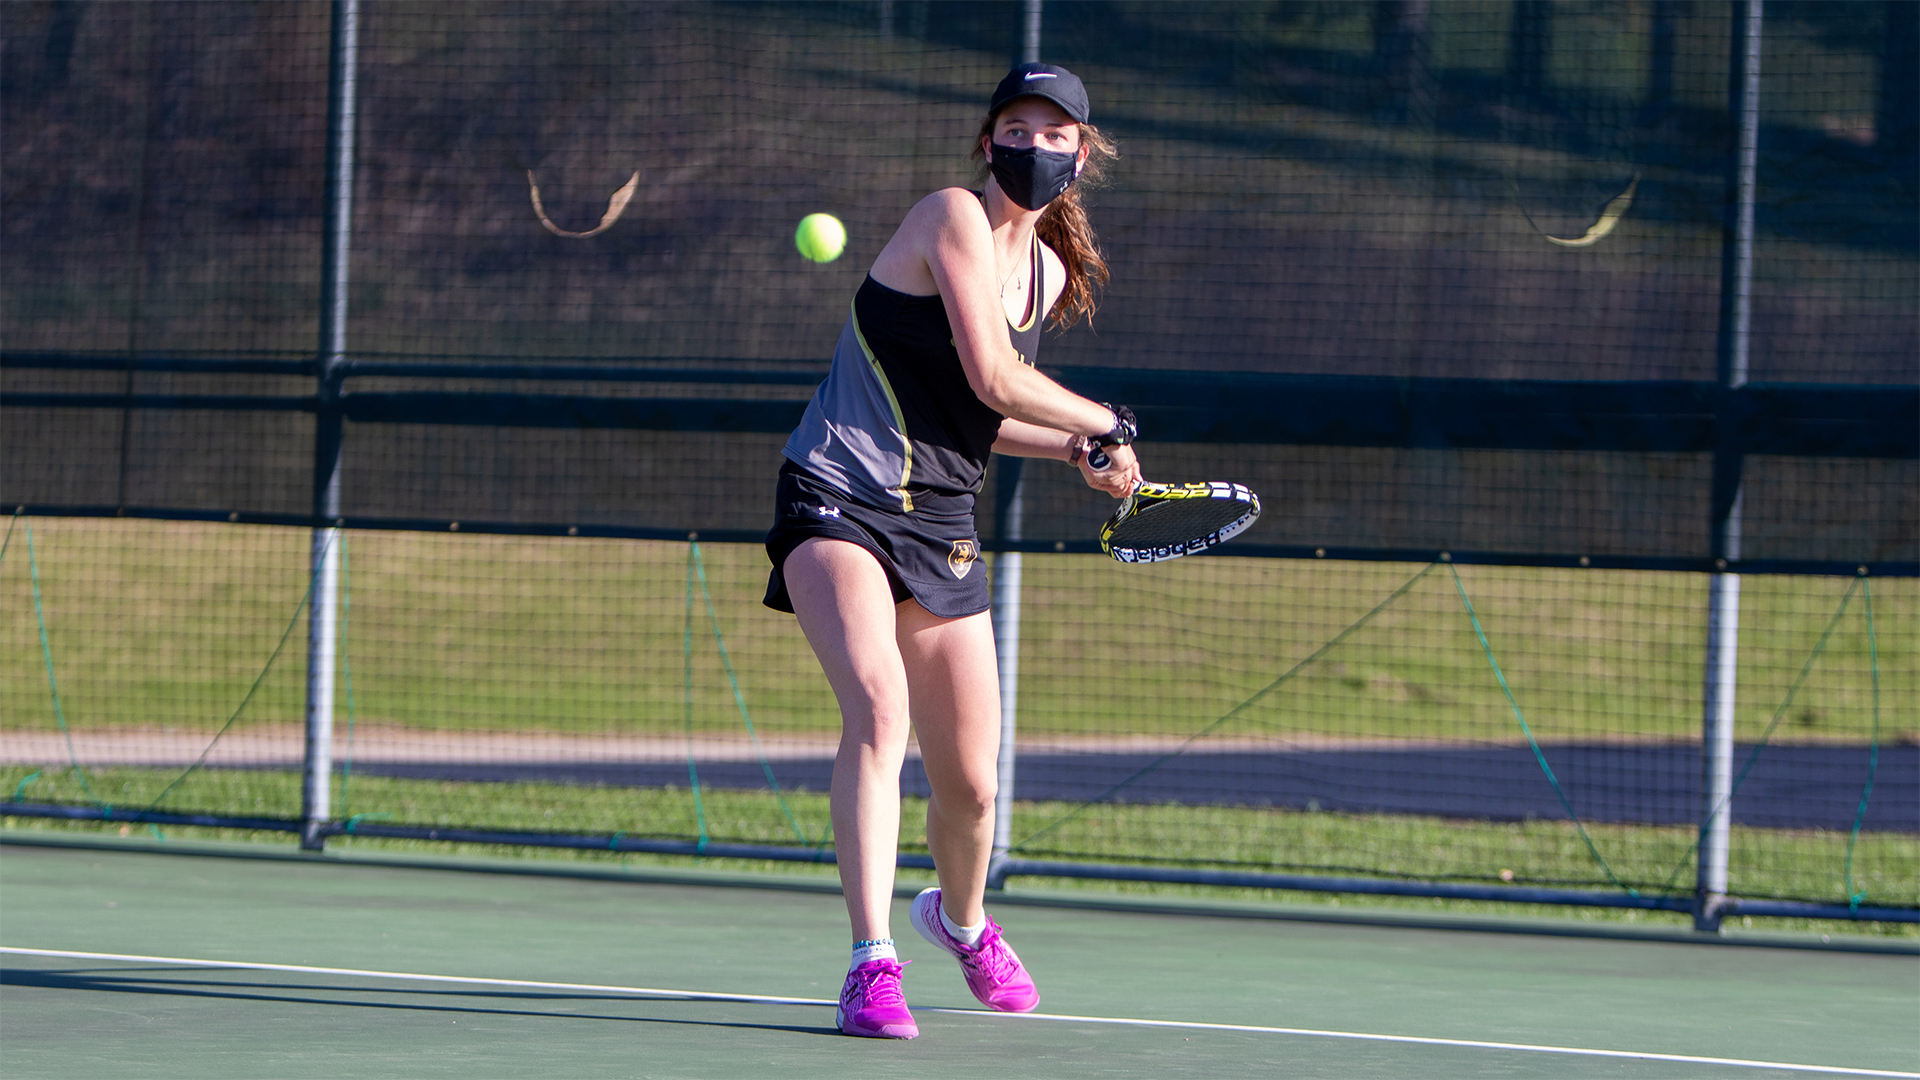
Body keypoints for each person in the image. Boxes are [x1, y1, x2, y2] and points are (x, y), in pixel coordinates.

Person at [762, 63, 1142, 1040]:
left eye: (1055, 133)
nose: (1034, 145)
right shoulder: (948, 217)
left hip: (940, 522)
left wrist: (1070, 447)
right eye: (1016, 126)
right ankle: (870, 960)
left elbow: (984, 409)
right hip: (836, 495)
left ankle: (960, 922)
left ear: (1080, 154)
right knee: (879, 714)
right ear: (988, 142)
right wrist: (1106, 420)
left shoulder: (1045, 275)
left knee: (972, 784)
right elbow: (992, 370)